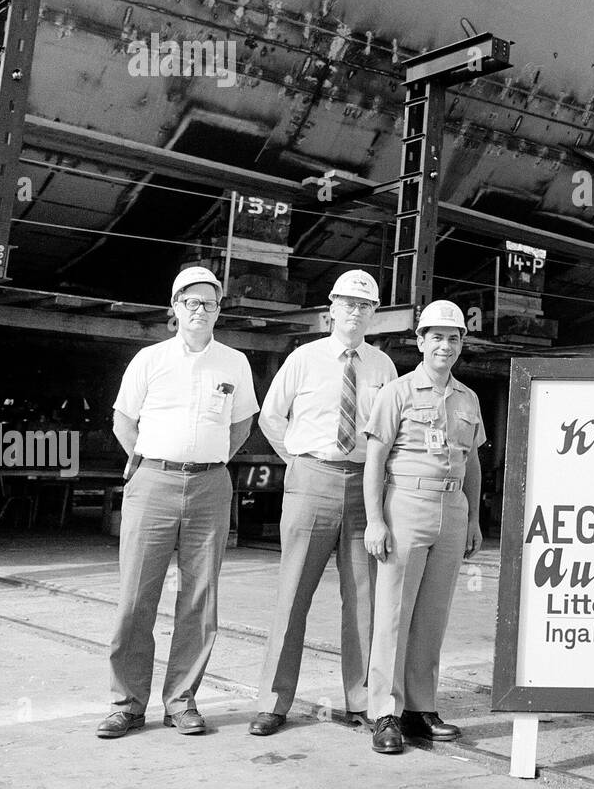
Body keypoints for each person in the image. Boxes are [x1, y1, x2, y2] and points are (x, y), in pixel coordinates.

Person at [98, 267, 257, 738]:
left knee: (200, 598)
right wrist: (146, 463)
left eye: (210, 304)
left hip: (210, 485)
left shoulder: (234, 362)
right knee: (135, 596)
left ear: (218, 311)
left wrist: (209, 460)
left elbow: (241, 425)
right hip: (153, 484)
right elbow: (123, 421)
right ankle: (126, 704)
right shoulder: (149, 360)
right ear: (175, 307)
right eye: (192, 303)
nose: (201, 312)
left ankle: (181, 700)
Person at [248, 271, 397, 736]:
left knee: (364, 599)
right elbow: (271, 415)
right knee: (293, 593)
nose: (355, 312)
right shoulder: (303, 359)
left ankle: (363, 701)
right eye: (347, 303)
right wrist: (294, 459)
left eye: (365, 305)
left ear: (374, 314)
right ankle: (273, 701)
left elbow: (390, 433)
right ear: (330, 308)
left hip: (365, 488)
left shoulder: (383, 367)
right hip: (312, 476)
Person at [363, 300, 484, 755]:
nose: (445, 346)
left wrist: (472, 517)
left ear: (460, 345)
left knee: (433, 614)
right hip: (407, 503)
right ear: (420, 341)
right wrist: (376, 519)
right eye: (436, 337)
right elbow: (375, 459)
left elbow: (473, 462)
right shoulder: (397, 392)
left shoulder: (468, 398)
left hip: (451, 507)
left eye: (454, 338)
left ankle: (420, 708)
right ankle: (385, 713)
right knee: (394, 612)